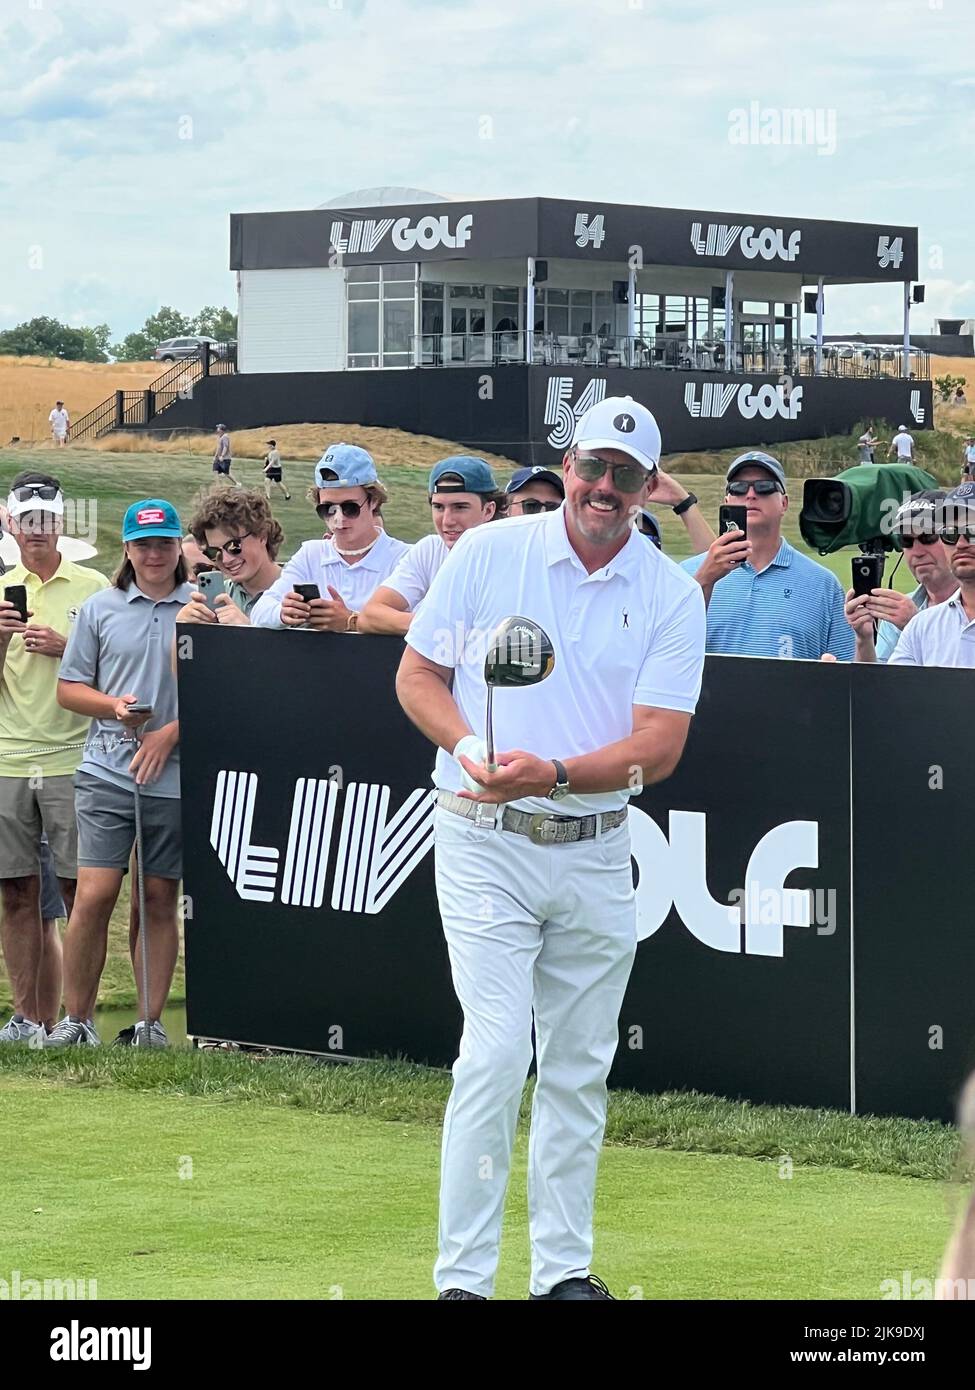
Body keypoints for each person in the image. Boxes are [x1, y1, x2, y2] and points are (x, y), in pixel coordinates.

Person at [397, 395, 706, 1300]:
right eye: (591, 466)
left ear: (649, 487)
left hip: (599, 843)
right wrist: (466, 749)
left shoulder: (666, 594)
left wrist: (556, 775)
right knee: (494, 1053)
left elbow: (659, 746)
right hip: (481, 835)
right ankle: (462, 1282)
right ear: (567, 466)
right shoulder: (489, 553)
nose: (602, 486)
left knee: (578, 1063)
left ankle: (561, 1273)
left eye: (624, 474)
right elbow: (417, 674)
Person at [48, 499, 193, 1047]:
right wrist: (114, 708)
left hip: (175, 775)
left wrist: (168, 733)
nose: (154, 554)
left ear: (179, 548)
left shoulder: (202, 607)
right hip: (106, 769)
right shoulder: (100, 608)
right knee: (95, 893)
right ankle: (77, 1021)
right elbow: (69, 688)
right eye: (143, 544)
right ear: (127, 550)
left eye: (164, 543)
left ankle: (150, 1024)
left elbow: (226, 691)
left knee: (158, 896)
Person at [0, 472, 108, 1043]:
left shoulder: (93, 588)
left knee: (77, 893)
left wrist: (69, 648)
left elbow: (117, 670)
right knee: (16, 892)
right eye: (27, 520)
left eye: (46, 520)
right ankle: (24, 1019)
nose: (37, 530)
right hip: (9, 759)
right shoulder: (2, 587)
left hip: (75, 757)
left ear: (60, 524)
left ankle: (77, 1020)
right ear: (11, 525)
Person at [682, 452, 854, 660]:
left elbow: (847, 669)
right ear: (726, 500)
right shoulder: (687, 575)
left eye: (765, 487)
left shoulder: (823, 584)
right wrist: (703, 582)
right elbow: (664, 653)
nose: (751, 495)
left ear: (784, 503)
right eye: (739, 488)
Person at [251, 444, 409, 634]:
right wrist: (284, 612)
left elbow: (424, 624)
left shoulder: (405, 558)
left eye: (350, 508)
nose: (338, 519)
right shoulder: (311, 554)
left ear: (374, 500)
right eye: (328, 509)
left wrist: (351, 620)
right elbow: (260, 611)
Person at [359, 457, 501, 636]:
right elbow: (370, 616)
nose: (447, 521)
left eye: (460, 507)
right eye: (439, 507)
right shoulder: (430, 550)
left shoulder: (508, 555)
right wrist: (436, 628)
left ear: (488, 510)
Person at [844, 491, 956, 661]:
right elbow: (875, 684)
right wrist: (864, 639)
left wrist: (916, 625)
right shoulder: (899, 610)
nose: (917, 552)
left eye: (928, 537)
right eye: (906, 541)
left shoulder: (907, 614)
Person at [888, 483, 975, 668]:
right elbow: (891, 692)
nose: (960, 544)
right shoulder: (920, 626)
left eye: (972, 531)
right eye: (949, 534)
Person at [178, 489, 283, 625]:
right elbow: (185, 647)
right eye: (214, 551)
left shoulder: (295, 594)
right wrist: (183, 627)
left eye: (234, 546)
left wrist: (247, 632)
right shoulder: (216, 595)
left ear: (262, 536)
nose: (226, 559)